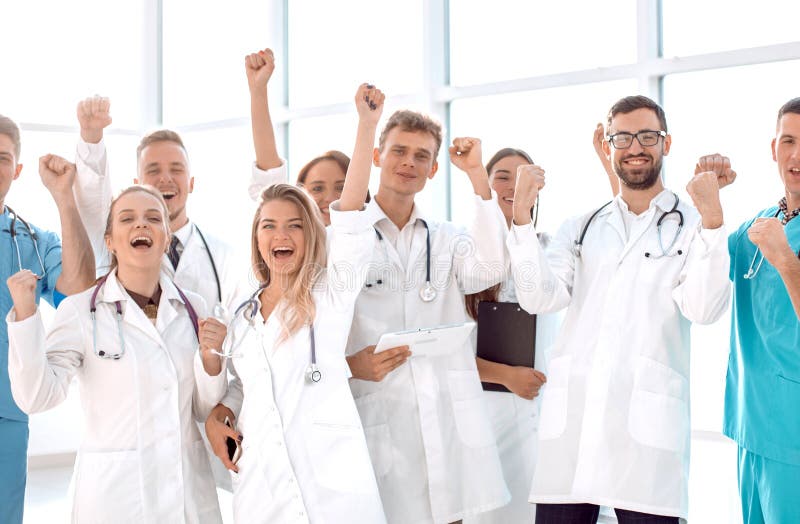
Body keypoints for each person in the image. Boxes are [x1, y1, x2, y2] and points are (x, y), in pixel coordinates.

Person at [507, 95, 733, 523]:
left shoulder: (694, 222)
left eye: (647, 135)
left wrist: (715, 220)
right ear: (608, 147)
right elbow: (540, 298)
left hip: (645, 438)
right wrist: (521, 218)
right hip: (572, 431)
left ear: (666, 144)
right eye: (623, 137)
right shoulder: (584, 225)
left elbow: (704, 309)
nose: (635, 147)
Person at [200, 84, 386, 523]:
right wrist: (221, 410)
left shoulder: (331, 291)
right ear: (257, 238)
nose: (281, 236)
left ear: (311, 234)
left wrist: (366, 126)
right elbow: (249, 382)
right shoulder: (242, 312)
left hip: (331, 483)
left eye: (294, 226)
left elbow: (352, 215)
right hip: (262, 483)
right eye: (269, 226)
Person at [6, 184, 226, 522]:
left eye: (154, 218)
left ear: (166, 238)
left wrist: (212, 363)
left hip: (186, 491)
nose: (141, 225)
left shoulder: (193, 308)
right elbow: (37, 397)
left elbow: (200, 408)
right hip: (116, 496)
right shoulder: (81, 312)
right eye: (127, 219)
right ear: (110, 240)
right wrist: (25, 316)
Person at [341, 115, 510, 522]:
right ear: (378, 156)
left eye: (421, 156)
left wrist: (475, 175)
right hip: (379, 414)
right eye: (399, 150)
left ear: (433, 169)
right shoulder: (347, 236)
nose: (409, 162)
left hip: (443, 420)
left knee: (446, 512)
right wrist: (350, 366)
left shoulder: (448, 237)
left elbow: (490, 268)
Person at [0, 114, 95, 524]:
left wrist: (64, 198)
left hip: (6, 412)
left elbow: (78, 290)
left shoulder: (32, 241)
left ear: (17, 170)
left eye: (2, 157)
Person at [73, 96, 243, 315]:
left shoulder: (224, 257)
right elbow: (92, 201)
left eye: (176, 169)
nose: (165, 179)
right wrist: (91, 137)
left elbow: (238, 332)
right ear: (138, 185)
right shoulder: (116, 245)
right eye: (153, 170)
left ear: (191, 182)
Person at [462, 146, 560, 524]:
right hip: (486, 413)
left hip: (545, 412)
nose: (513, 184)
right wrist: (506, 376)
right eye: (502, 175)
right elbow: (447, 349)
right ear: (486, 185)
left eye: (523, 177)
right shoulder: (462, 255)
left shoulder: (552, 250)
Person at [716, 97, 800, 524]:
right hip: (752, 426)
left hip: (794, 439)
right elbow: (703, 278)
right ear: (773, 148)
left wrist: (787, 262)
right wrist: (709, 199)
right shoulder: (758, 226)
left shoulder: (774, 238)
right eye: (789, 140)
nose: (797, 155)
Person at [244, 48, 368, 220]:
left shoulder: (361, 238)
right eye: (317, 188)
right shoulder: (289, 238)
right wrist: (258, 89)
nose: (330, 199)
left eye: (341, 188)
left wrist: (368, 122)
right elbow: (269, 176)